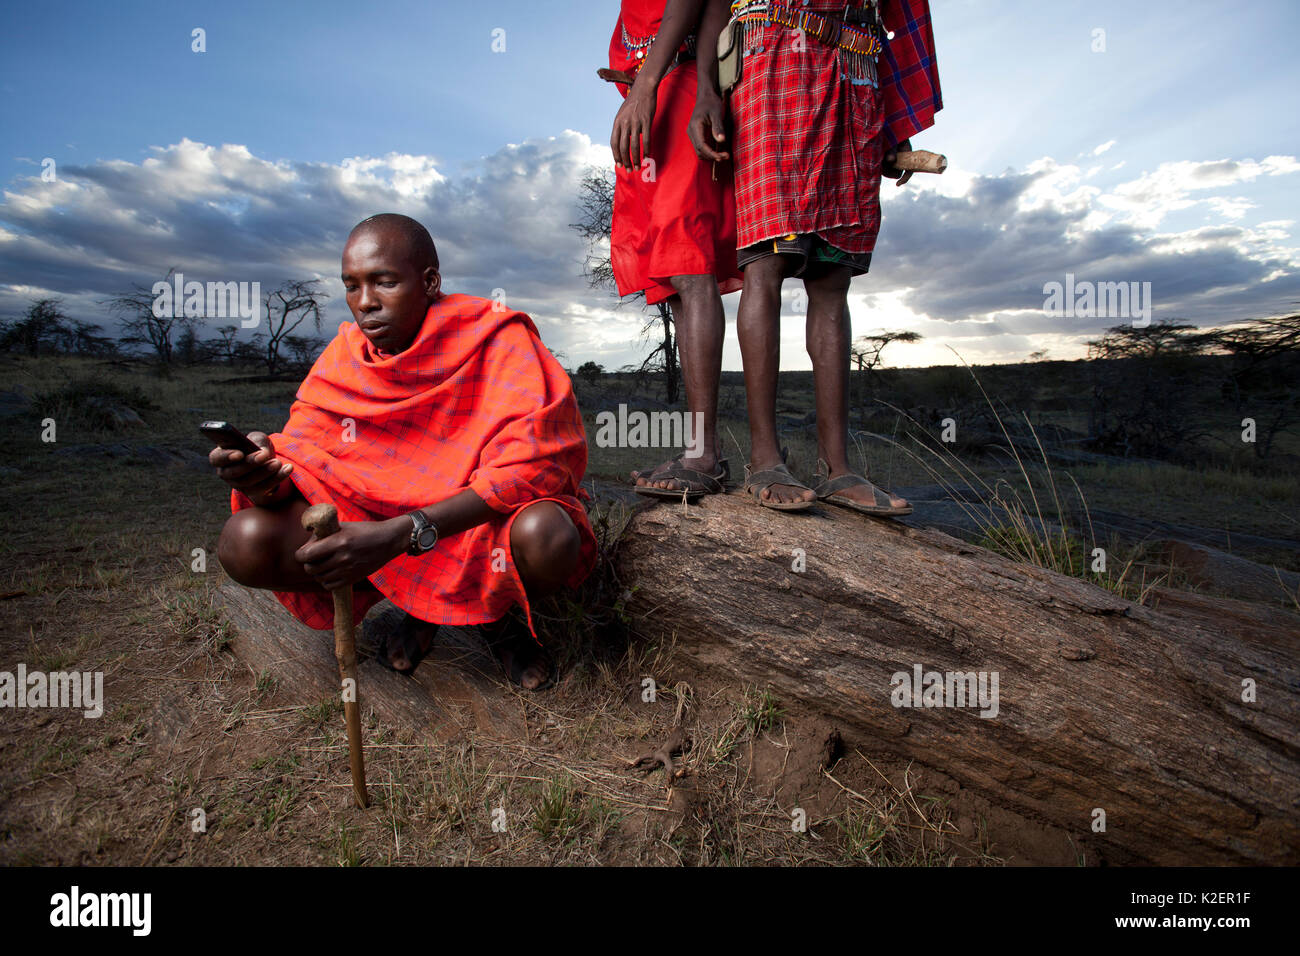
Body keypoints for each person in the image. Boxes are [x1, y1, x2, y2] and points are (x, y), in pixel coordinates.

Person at [211, 214, 597, 690]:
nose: (365, 303)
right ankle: (421, 608)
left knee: (547, 537)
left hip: (473, 527)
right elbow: (309, 459)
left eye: (384, 282)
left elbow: (535, 466)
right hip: (371, 530)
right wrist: (263, 478)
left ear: (430, 282)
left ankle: (493, 620)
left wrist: (401, 534)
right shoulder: (346, 353)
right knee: (243, 542)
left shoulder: (496, 338)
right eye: (351, 286)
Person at [689, 0, 941, 514]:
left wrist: (895, 115)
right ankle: (765, 460)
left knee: (832, 278)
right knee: (766, 265)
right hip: (772, 61)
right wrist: (706, 92)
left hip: (856, 71)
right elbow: (716, 7)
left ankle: (839, 469)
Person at [607, 0, 743, 498]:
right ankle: (698, 449)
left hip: (675, 90)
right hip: (650, 98)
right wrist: (636, 83)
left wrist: (648, 86)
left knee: (691, 269)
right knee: (677, 282)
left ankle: (704, 454)